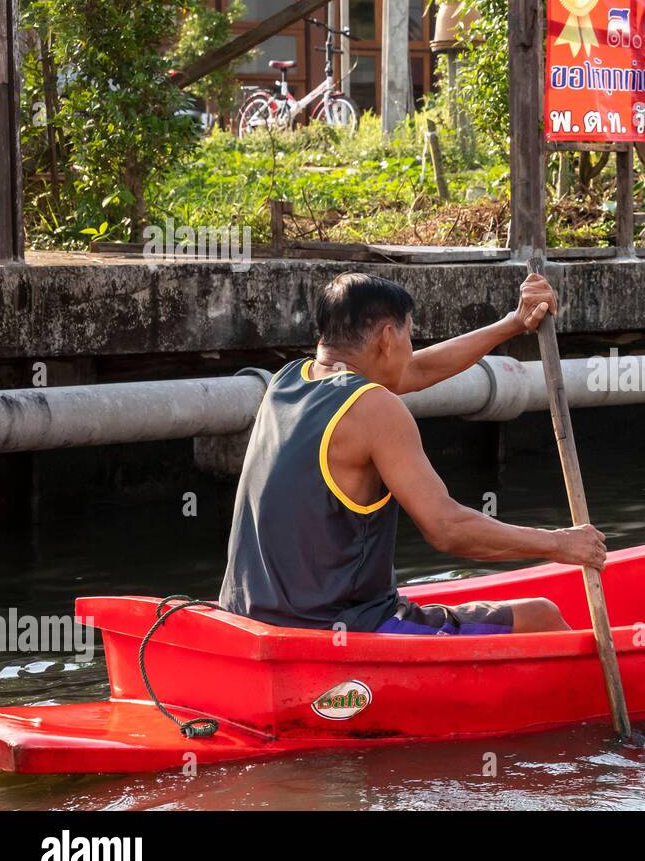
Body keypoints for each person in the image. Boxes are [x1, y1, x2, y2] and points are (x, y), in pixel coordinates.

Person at [219, 272, 606, 636]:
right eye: (409, 336)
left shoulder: (288, 379)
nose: (410, 350)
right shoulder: (375, 406)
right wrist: (560, 544)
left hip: (248, 620)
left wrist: (513, 323)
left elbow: (416, 370)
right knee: (543, 616)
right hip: (341, 629)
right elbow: (447, 529)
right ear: (388, 336)